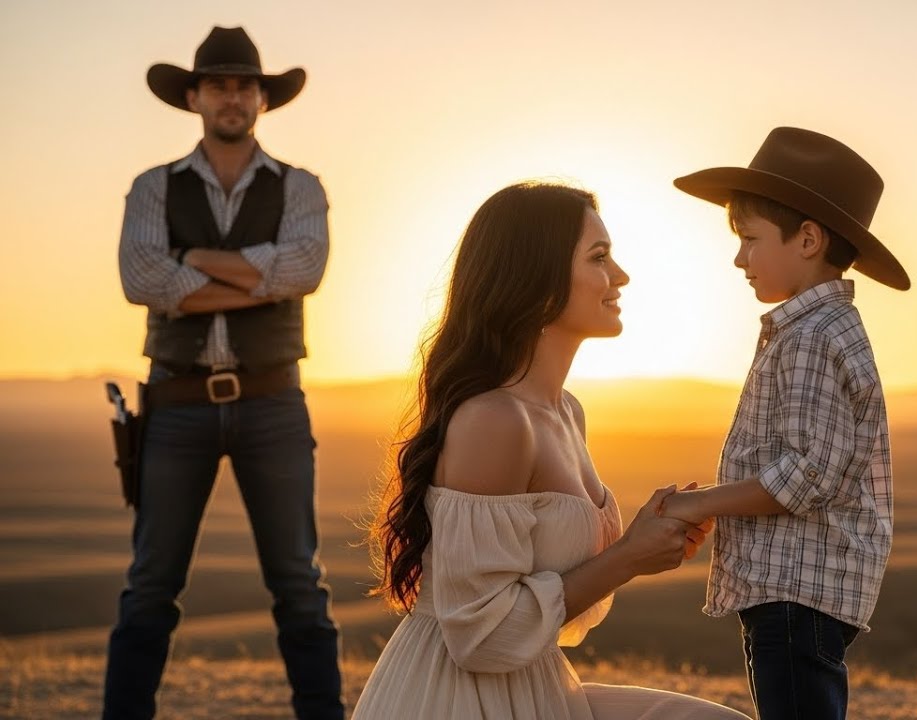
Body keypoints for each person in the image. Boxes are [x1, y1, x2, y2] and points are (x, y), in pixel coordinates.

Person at [355, 182, 747, 719]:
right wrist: (628, 557)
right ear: (537, 279)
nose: (621, 276)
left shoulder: (567, 411)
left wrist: (646, 538)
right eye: (599, 257)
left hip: (532, 684)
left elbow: (560, 601)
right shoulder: (495, 421)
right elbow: (481, 641)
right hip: (457, 698)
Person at [106, 27, 342, 719]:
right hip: (176, 402)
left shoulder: (302, 187)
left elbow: (306, 271)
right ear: (194, 97)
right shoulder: (152, 187)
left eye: (245, 86)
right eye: (218, 85)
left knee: (299, 585)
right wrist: (260, 280)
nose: (232, 97)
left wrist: (192, 261)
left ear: (263, 99)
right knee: (151, 584)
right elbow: (140, 280)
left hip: (273, 403)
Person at [661, 127, 908, 720]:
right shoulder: (821, 330)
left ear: (808, 239)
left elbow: (806, 476)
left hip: (796, 590)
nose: (739, 258)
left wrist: (702, 503)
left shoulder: (811, 338)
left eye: (749, 239)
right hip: (802, 589)